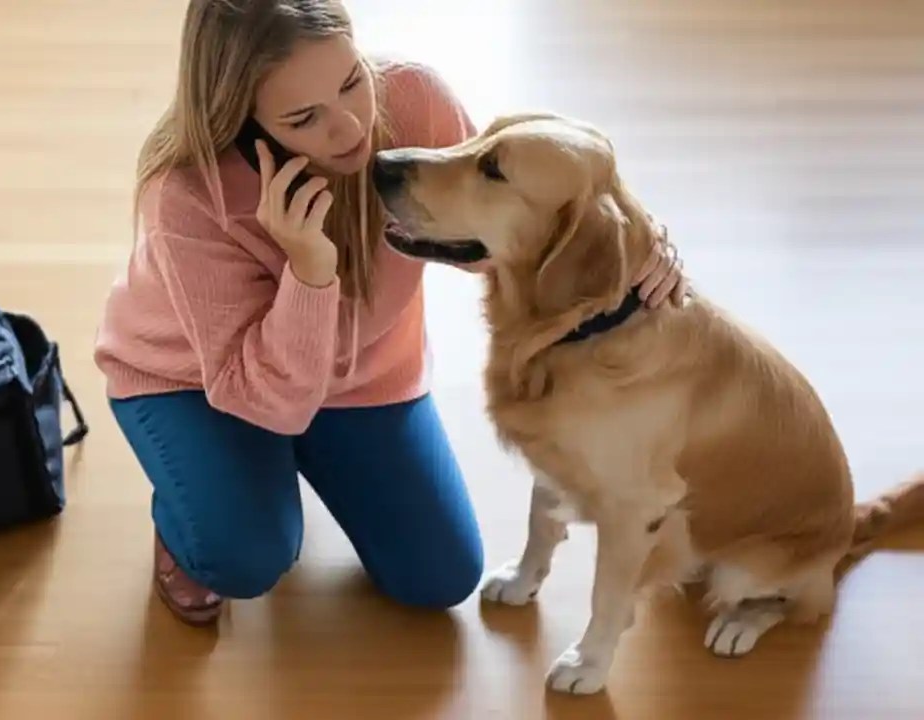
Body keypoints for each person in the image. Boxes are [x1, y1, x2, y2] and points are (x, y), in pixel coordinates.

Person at [93, 0, 687, 627]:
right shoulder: (187, 193)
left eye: (351, 81)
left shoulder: (414, 97)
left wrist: (636, 248)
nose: (350, 128)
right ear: (245, 119)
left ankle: (279, 471)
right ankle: (188, 512)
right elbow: (273, 402)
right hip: (205, 384)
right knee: (245, 556)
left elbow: (501, 225)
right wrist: (309, 271)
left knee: (440, 577)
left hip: (361, 380)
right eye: (304, 117)